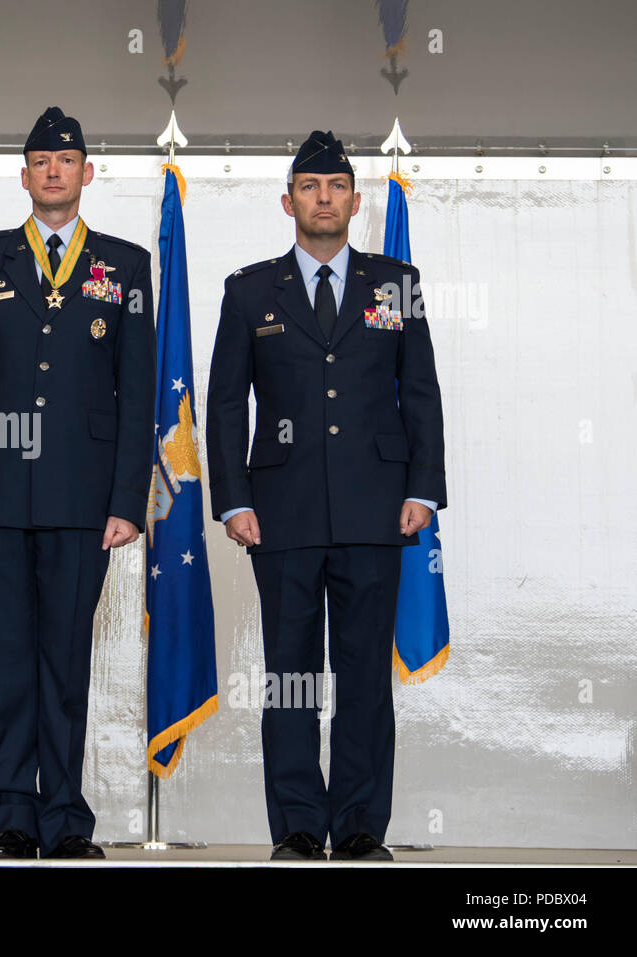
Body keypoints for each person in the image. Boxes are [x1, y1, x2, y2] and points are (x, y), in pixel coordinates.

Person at [204, 130, 446, 861]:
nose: (323, 198)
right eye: (309, 187)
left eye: (336, 186)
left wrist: (424, 490)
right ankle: (301, 826)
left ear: (354, 198)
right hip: (282, 513)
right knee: (291, 677)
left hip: (378, 507)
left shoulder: (395, 282)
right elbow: (223, 405)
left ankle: (362, 825)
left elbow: (424, 394)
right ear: (288, 201)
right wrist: (233, 498)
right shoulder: (249, 290)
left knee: (366, 674)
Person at [0, 107, 156, 859]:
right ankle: (13, 818)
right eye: (39, 161)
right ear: (23, 175)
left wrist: (128, 500)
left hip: (81, 501)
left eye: (66, 161)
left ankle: (64, 818)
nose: (52, 171)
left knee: (65, 663)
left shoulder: (123, 266)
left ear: (86, 173)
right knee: (9, 664)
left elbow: (138, 390)